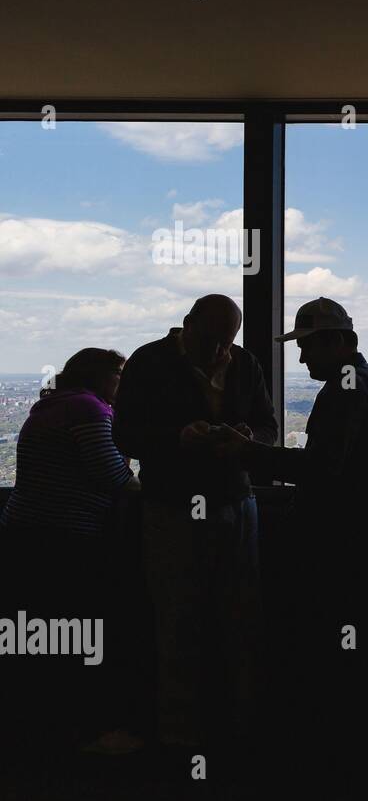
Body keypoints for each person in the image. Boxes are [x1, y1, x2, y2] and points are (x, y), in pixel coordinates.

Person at [213, 297, 368, 778]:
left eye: (309, 346)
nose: (301, 359)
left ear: (338, 342)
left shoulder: (344, 390)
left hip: (333, 539)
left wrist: (245, 451)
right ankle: (351, 751)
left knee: (320, 646)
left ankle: (317, 755)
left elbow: (321, 470)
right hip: (367, 531)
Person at [113, 295, 277, 756]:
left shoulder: (243, 361)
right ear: (186, 325)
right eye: (212, 341)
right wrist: (176, 439)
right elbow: (123, 434)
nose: (221, 352)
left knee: (237, 614)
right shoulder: (148, 361)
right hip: (179, 504)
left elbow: (268, 424)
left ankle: (232, 728)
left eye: (228, 342)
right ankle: (185, 735)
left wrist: (248, 439)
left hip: (228, 500)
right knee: (178, 616)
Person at [1, 348, 143, 757]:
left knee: (43, 636)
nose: (124, 384)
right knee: (79, 634)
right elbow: (112, 475)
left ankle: (38, 730)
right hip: (63, 537)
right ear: (100, 377)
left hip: (28, 530)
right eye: (119, 375)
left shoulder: (52, 406)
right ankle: (83, 734)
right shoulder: (87, 408)